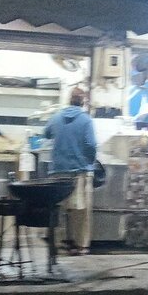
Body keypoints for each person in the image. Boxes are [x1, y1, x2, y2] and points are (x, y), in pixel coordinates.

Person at [44, 87, 97, 255]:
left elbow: (45, 134)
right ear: (83, 102)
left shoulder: (56, 117)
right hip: (79, 171)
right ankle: (81, 246)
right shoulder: (86, 120)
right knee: (81, 212)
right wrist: (90, 160)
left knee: (58, 208)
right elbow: (91, 145)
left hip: (58, 170)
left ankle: (59, 243)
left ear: (69, 100)